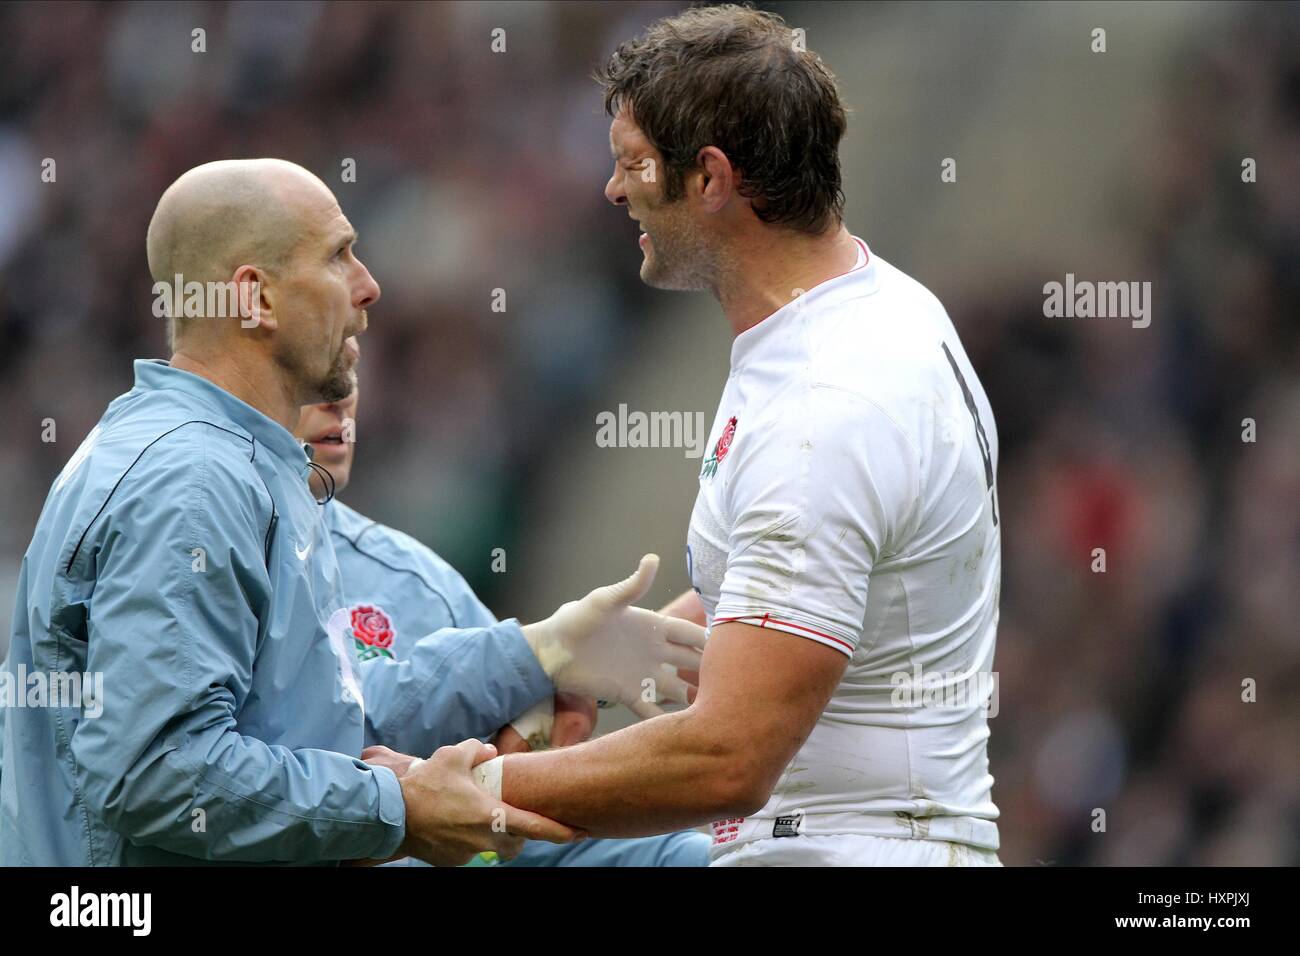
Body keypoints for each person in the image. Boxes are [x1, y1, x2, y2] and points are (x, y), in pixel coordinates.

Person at [402, 5, 1003, 867]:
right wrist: (586, 661)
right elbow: (788, 604)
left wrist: (466, 797)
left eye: (632, 166)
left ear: (712, 179)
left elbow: (729, 756)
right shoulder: (874, 306)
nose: (613, 191)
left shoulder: (821, 408)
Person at [0, 159, 701, 866]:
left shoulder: (237, 468)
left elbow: (305, 729)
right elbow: (154, 771)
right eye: (339, 256)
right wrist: (396, 806)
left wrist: (538, 655)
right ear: (257, 300)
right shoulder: (193, 482)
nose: (368, 287)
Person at [297, 369, 710, 867]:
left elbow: (511, 839)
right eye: (311, 368)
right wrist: (539, 654)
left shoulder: (421, 581)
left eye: (351, 365)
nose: (341, 395)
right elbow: (306, 747)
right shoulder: (201, 542)